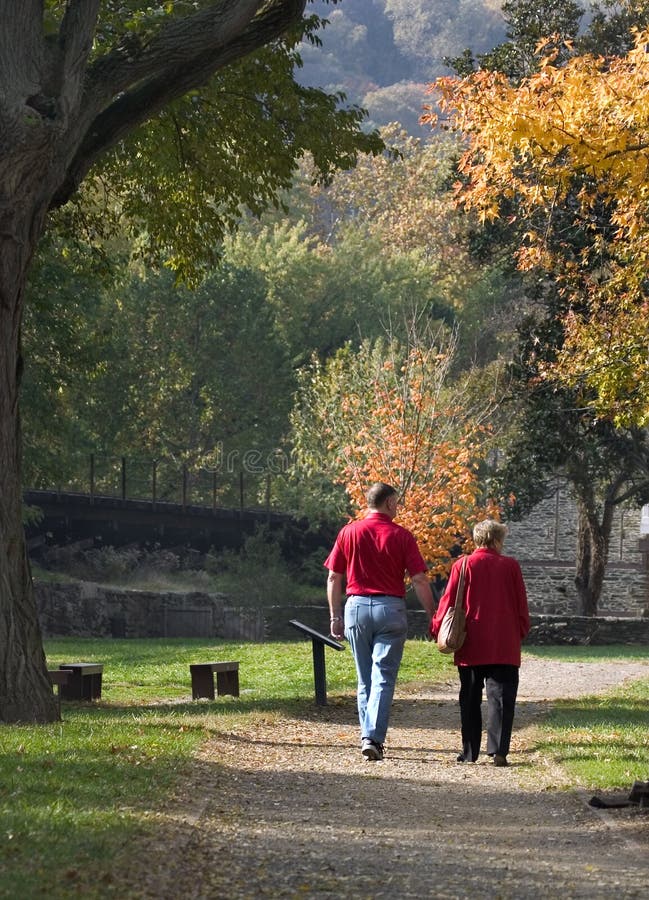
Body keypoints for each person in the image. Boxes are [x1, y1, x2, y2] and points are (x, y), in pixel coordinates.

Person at [324, 482, 435, 761]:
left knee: (365, 679)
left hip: (356, 607)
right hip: (390, 609)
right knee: (383, 677)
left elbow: (333, 577)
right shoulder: (402, 536)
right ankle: (372, 737)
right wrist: (433, 614)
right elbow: (419, 579)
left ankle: (367, 736)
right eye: (396, 503)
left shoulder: (348, 532)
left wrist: (335, 616)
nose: (397, 508)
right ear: (388, 503)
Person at [431, 519, 530, 767]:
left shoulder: (462, 565)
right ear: (497, 540)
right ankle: (498, 751)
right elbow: (521, 603)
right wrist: (521, 630)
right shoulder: (511, 566)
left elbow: (449, 600)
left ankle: (469, 752)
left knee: (470, 698)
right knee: (501, 700)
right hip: (504, 643)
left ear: (477, 539)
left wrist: (436, 627)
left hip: (471, 642)